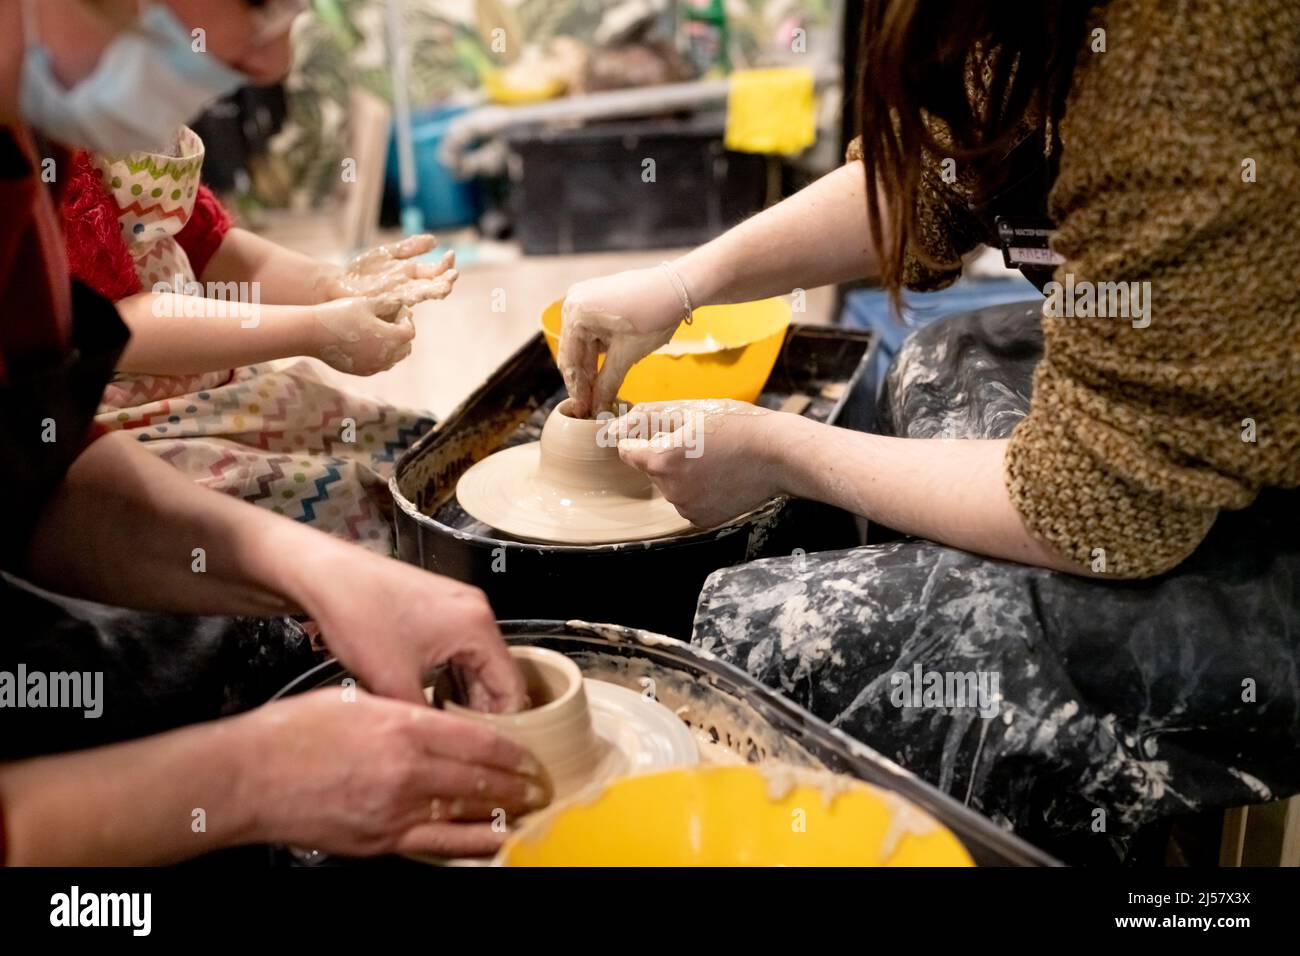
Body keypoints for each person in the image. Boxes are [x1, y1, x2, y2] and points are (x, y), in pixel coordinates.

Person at [559, 0, 1300, 858]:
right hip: (1214, 399)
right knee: (939, 359)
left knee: (789, 633)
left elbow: (1097, 509)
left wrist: (774, 450)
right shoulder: (1043, 27)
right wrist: (683, 285)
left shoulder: (1192, 49)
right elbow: (937, 177)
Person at [0, 0, 542, 865]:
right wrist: (246, 782)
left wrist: (315, 572)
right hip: (148, 418)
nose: (275, 66)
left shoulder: (37, 141)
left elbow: (32, 469)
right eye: (257, 8)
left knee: (407, 480)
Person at [57, 0, 457, 553]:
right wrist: (315, 331)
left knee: (417, 455)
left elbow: (207, 245)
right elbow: (118, 325)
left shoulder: (139, 91)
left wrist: (329, 286)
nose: (277, 63)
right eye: (264, 20)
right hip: (104, 420)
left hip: (203, 377)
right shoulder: (55, 133)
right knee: (350, 505)